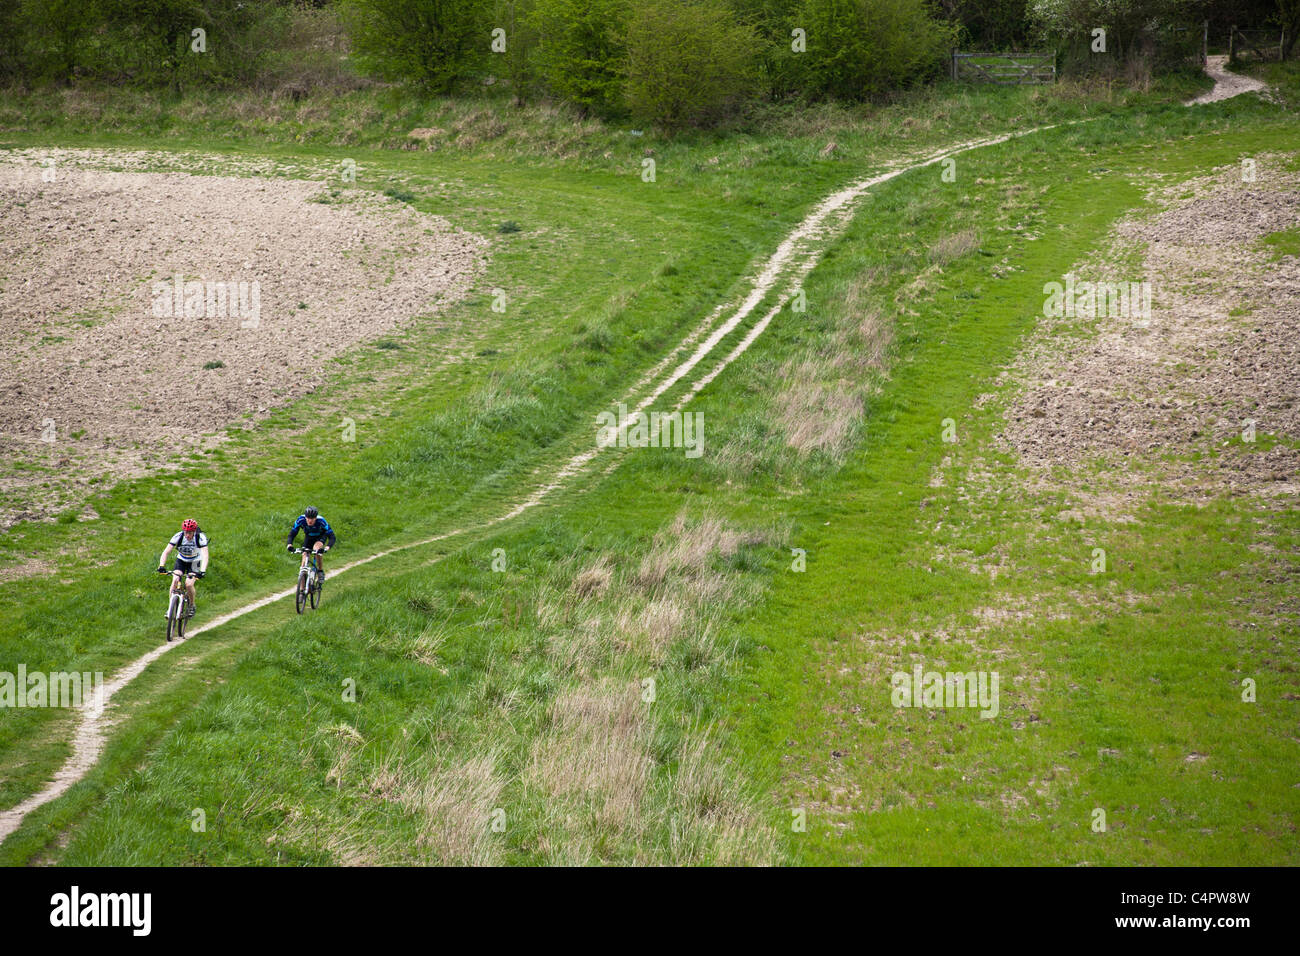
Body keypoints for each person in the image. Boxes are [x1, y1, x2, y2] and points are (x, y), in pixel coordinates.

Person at [157, 518, 209, 617]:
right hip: (181, 560)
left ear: (194, 531)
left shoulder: (200, 537)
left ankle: (192, 605)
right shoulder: (178, 536)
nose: (187, 535)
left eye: (190, 533)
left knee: (189, 584)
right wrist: (161, 565)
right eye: (186, 532)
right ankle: (170, 609)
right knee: (175, 579)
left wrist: (202, 571)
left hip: (195, 561)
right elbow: (166, 551)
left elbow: (205, 555)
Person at [286, 506, 335, 579]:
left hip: (320, 536)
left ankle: (320, 571)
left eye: (312, 518)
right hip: (309, 537)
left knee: (316, 548)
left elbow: (332, 537)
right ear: (305, 517)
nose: (310, 520)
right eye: (308, 518)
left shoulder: (321, 521)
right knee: (303, 562)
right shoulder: (300, 520)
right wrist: (289, 545)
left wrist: (326, 548)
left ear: (316, 517)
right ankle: (302, 589)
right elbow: (292, 534)